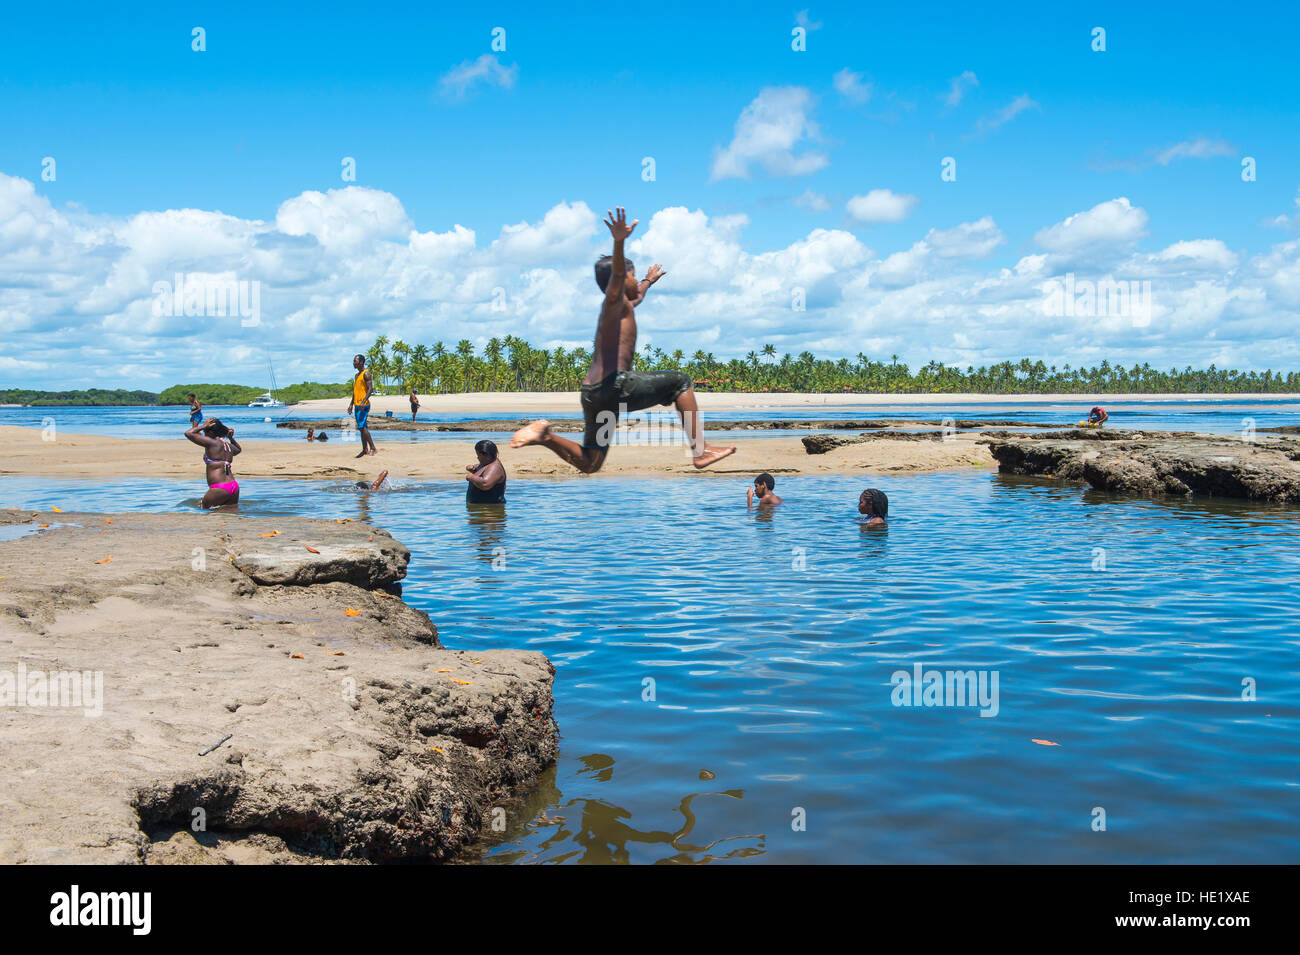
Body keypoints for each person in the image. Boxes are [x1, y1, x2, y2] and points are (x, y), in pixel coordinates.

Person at [510, 207, 736, 472]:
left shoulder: (622, 306)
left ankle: (545, 436)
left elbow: (636, 295)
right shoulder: (613, 300)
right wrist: (619, 242)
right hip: (615, 385)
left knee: (591, 463)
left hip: (594, 395)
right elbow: (618, 277)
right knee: (682, 382)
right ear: (618, 279)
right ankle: (701, 450)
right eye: (632, 274)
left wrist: (648, 280)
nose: (633, 279)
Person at [185, 417, 241, 508]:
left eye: (205, 432)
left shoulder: (212, 443)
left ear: (210, 432)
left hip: (220, 487)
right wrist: (231, 438)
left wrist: (203, 426)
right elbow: (238, 450)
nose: (204, 434)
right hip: (234, 486)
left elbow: (188, 433)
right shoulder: (226, 445)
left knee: (204, 511)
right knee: (228, 515)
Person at [346, 354, 377, 458]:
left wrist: (364, 401)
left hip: (363, 405)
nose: (354, 363)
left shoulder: (366, 374)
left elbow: (370, 389)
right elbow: (355, 392)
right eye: (354, 361)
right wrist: (351, 404)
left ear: (361, 362)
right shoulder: (356, 376)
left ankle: (373, 448)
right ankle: (364, 449)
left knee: (362, 427)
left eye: (355, 361)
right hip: (357, 405)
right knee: (361, 428)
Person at [465, 439, 507, 503]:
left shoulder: (495, 467)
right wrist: (473, 468)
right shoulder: (487, 464)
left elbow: (485, 484)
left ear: (486, 455)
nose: (477, 458)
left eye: (478, 455)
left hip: (491, 510)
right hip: (481, 509)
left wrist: (471, 477)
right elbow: (483, 469)